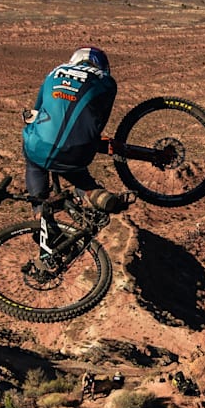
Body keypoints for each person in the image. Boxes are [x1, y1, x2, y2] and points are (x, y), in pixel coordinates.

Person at [21, 46, 131, 255]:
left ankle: (39, 213)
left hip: (39, 146)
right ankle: (94, 194)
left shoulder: (54, 72)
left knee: (35, 162)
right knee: (75, 168)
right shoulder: (107, 82)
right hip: (76, 151)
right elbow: (99, 120)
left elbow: (35, 112)